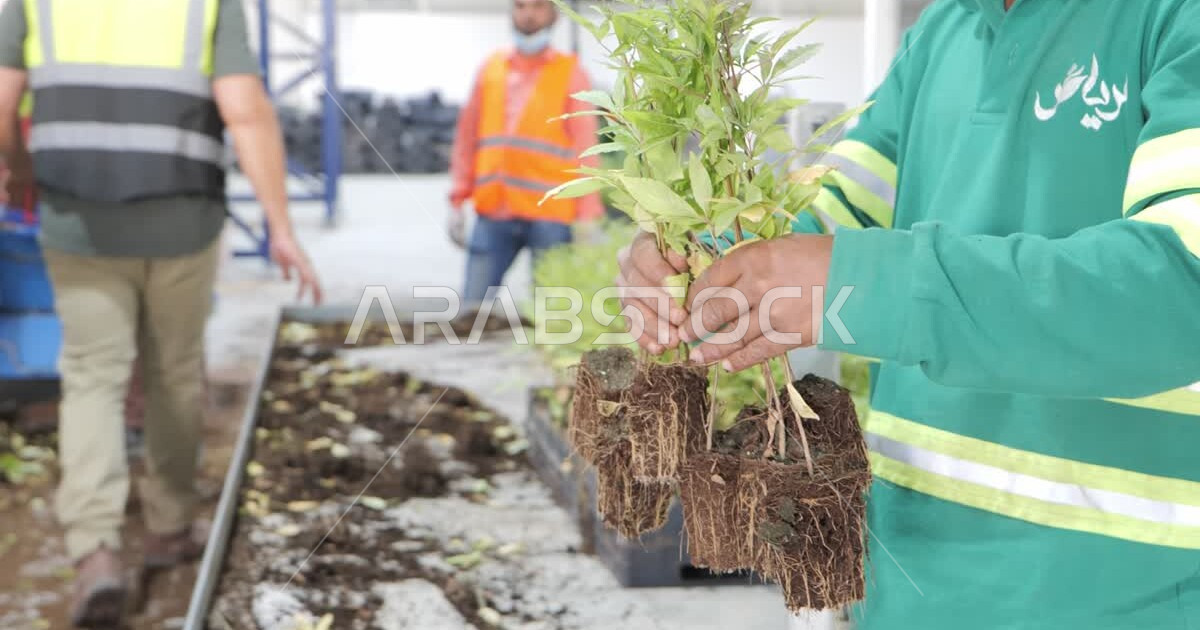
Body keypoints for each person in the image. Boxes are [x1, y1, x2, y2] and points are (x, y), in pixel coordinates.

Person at [619, 0, 1200, 627]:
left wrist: (869, 282)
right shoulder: (943, 30)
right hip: (907, 585)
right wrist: (698, 257)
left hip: (1118, 595)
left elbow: (1177, 288)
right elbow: (825, 224)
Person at [0, 0, 322, 626]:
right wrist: (280, 226)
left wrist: (18, 171)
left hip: (78, 223)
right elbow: (246, 112)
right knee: (174, 372)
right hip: (182, 223)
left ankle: (93, 552)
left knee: (93, 378)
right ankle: (169, 528)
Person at [448, 0, 603, 305]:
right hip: (495, 210)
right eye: (520, 6)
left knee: (552, 315)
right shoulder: (491, 69)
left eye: (538, 6)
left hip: (551, 216)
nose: (529, 14)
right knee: (471, 312)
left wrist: (588, 214)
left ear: (553, 15)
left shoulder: (570, 73)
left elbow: (587, 146)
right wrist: (457, 198)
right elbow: (468, 137)